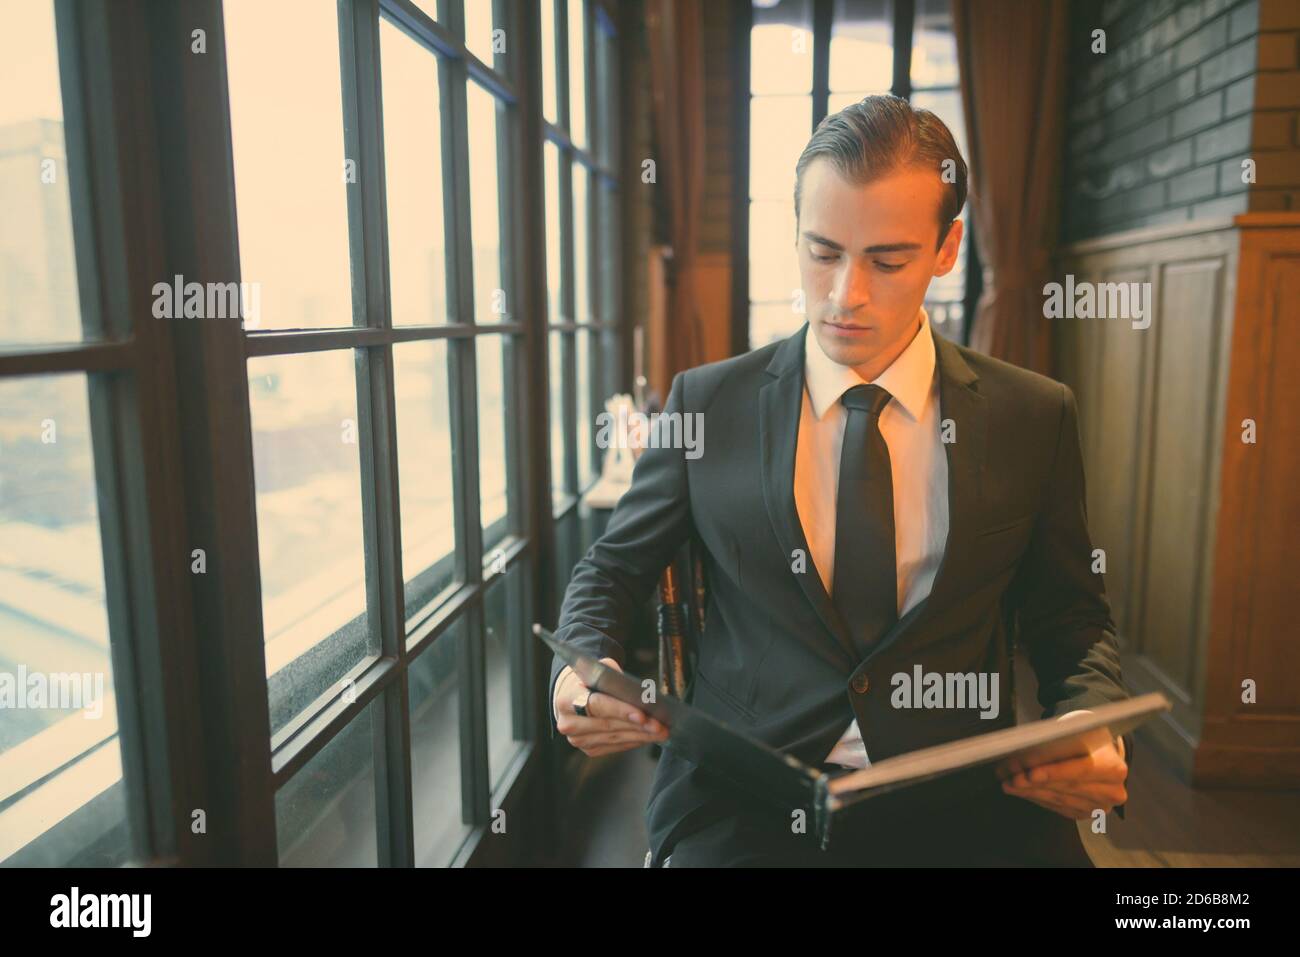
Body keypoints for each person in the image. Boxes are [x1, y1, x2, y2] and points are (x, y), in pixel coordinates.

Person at [549, 94, 1131, 867]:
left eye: (887, 261)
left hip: (965, 797)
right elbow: (613, 567)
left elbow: (1073, 618)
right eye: (822, 252)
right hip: (742, 796)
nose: (844, 295)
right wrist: (582, 665)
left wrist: (1092, 723)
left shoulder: (1033, 415)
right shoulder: (705, 404)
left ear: (948, 246)